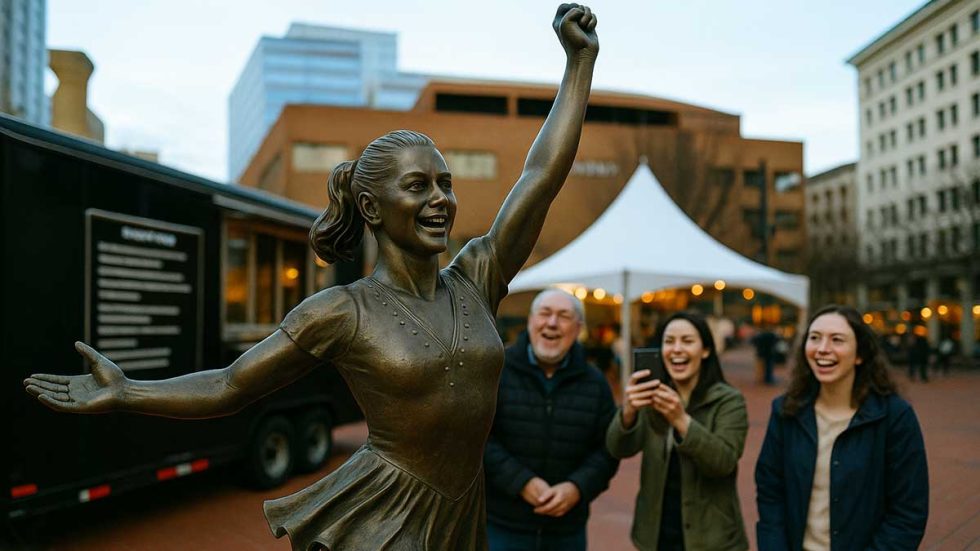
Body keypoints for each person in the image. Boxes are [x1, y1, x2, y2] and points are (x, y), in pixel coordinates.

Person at [23, 5, 599, 550]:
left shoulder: (478, 275)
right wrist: (129, 392)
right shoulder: (342, 312)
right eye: (418, 186)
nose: (441, 200)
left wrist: (578, 66)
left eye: (445, 183)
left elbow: (541, 175)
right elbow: (231, 384)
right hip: (389, 513)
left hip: (465, 508)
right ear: (372, 209)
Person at [755, 305, 928, 550]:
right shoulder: (786, 412)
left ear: (860, 355)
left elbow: (908, 512)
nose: (823, 349)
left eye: (837, 340)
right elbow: (770, 492)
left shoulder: (894, 417)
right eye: (814, 338)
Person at [484, 289, 618, 551]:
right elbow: (477, 438)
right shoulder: (496, 371)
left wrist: (577, 488)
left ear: (579, 328)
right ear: (531, 321)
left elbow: (608, 449)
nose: (552, 323)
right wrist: (521, 482)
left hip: (567, 531)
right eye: (545, 314)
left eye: (564, 316)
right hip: (502, 527)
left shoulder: (595, 382)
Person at [606, 311, 749, 551]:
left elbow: (724, 462)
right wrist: (628, 412)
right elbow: (617, 448)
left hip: (712, 539)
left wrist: (681, 420)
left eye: (687, 341)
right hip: (656, 535)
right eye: (669, 341)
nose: (677, 349)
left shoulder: (728, 400)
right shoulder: (652, 395)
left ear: (705, 351)